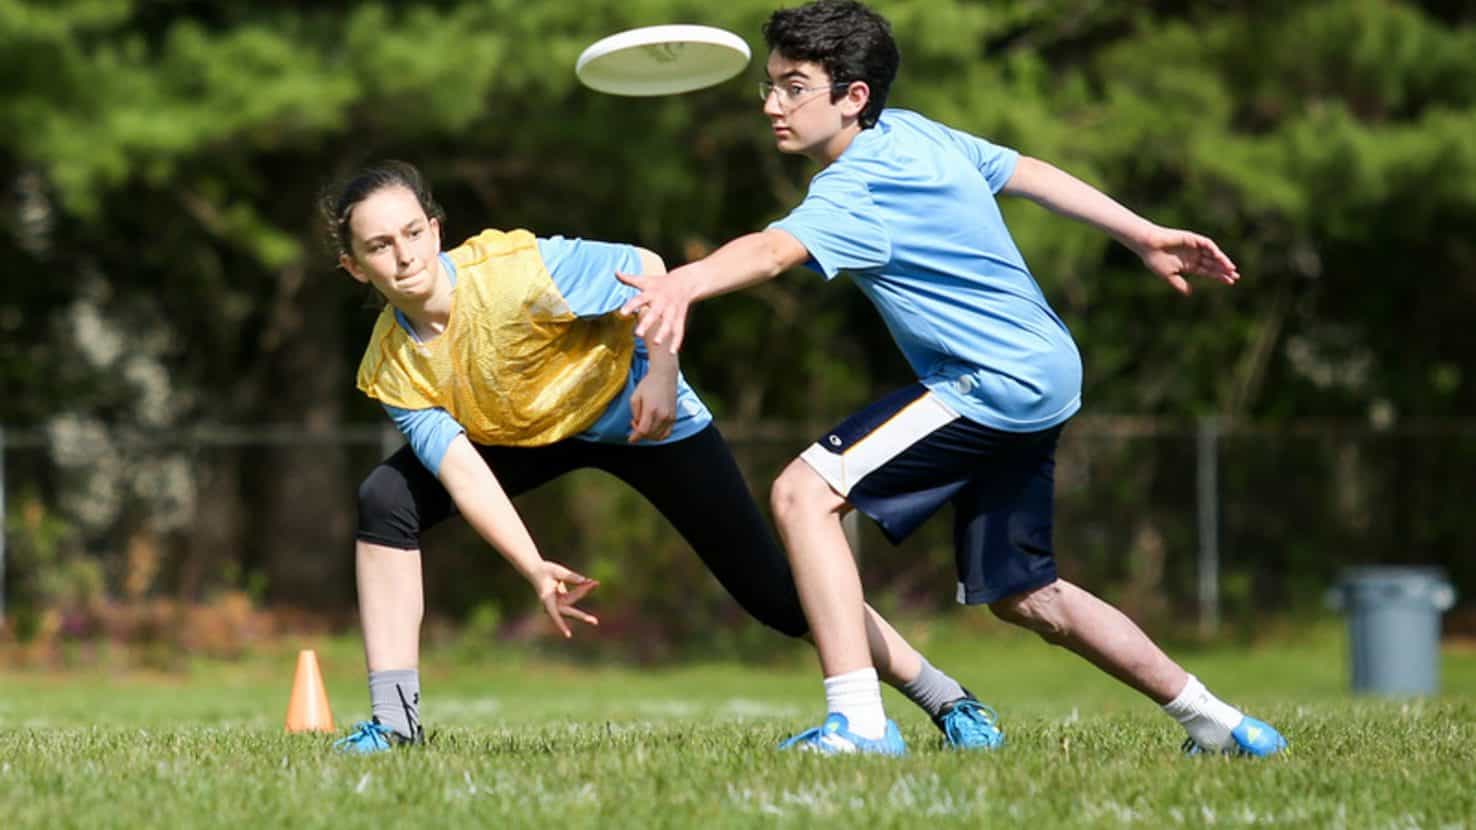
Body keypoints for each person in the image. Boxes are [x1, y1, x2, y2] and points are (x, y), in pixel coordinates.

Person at [618, 0, 1287, 757]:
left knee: (803, 493)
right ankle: (1222, 724)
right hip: (1046, 374)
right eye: (769, 86)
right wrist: (1141, 233)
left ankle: (861, 725)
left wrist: (685, 283)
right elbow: (1024, 170)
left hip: (990, 381)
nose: (772, 104)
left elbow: (772, 253)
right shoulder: (918, 134)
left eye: (794, 86)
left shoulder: (855, 184)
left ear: (853, 96)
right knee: (1028, 596)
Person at [320, 160, 998, 754]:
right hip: (524, 436)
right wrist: (532, 567)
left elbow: (646, 267)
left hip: (639, 415)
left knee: (776, 596)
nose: (404, 255)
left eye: (413, 233)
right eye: (379, 245)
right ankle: (395, 724)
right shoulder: (391, 366)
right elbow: (463, 471)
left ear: (436, 229)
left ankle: (949, 700)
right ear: (353, 267)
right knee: (386, 499)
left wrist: (662, 371)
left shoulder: (515, 274)